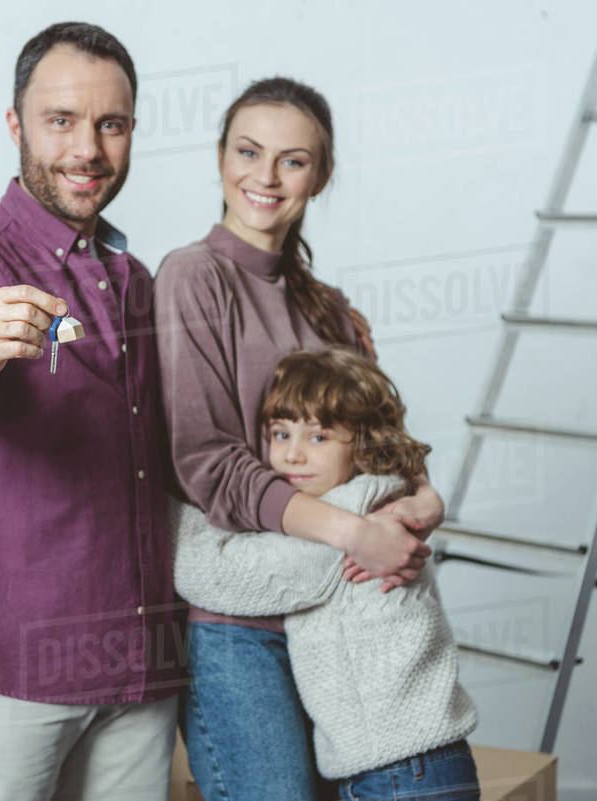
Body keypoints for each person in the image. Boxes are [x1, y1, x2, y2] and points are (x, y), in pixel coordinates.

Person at [0, 22, 184, 801]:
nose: (87, 148)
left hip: (138, 665)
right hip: (15, 669)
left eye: (111, 124)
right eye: (61, 120)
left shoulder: (136, 279)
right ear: (15, 125)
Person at [153, 76, 445, 800]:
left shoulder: (331, 309)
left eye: (293, 159)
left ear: (322, 174)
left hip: (334, 619)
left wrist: (426, 502)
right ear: (220, 156)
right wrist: (353, 531)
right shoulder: (192, 278)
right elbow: (207, 465)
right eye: (248, 151)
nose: (266, 176)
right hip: (236, 629)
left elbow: (382, 446)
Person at [172, 348, 482, 801]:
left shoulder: (349, 516)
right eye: (280, 434)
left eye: (318, 439)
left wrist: (166, 499)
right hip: (420, 765)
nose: (293, 455)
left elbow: (217, 575)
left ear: (363, 442)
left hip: (398, 774)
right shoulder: (386, 496)